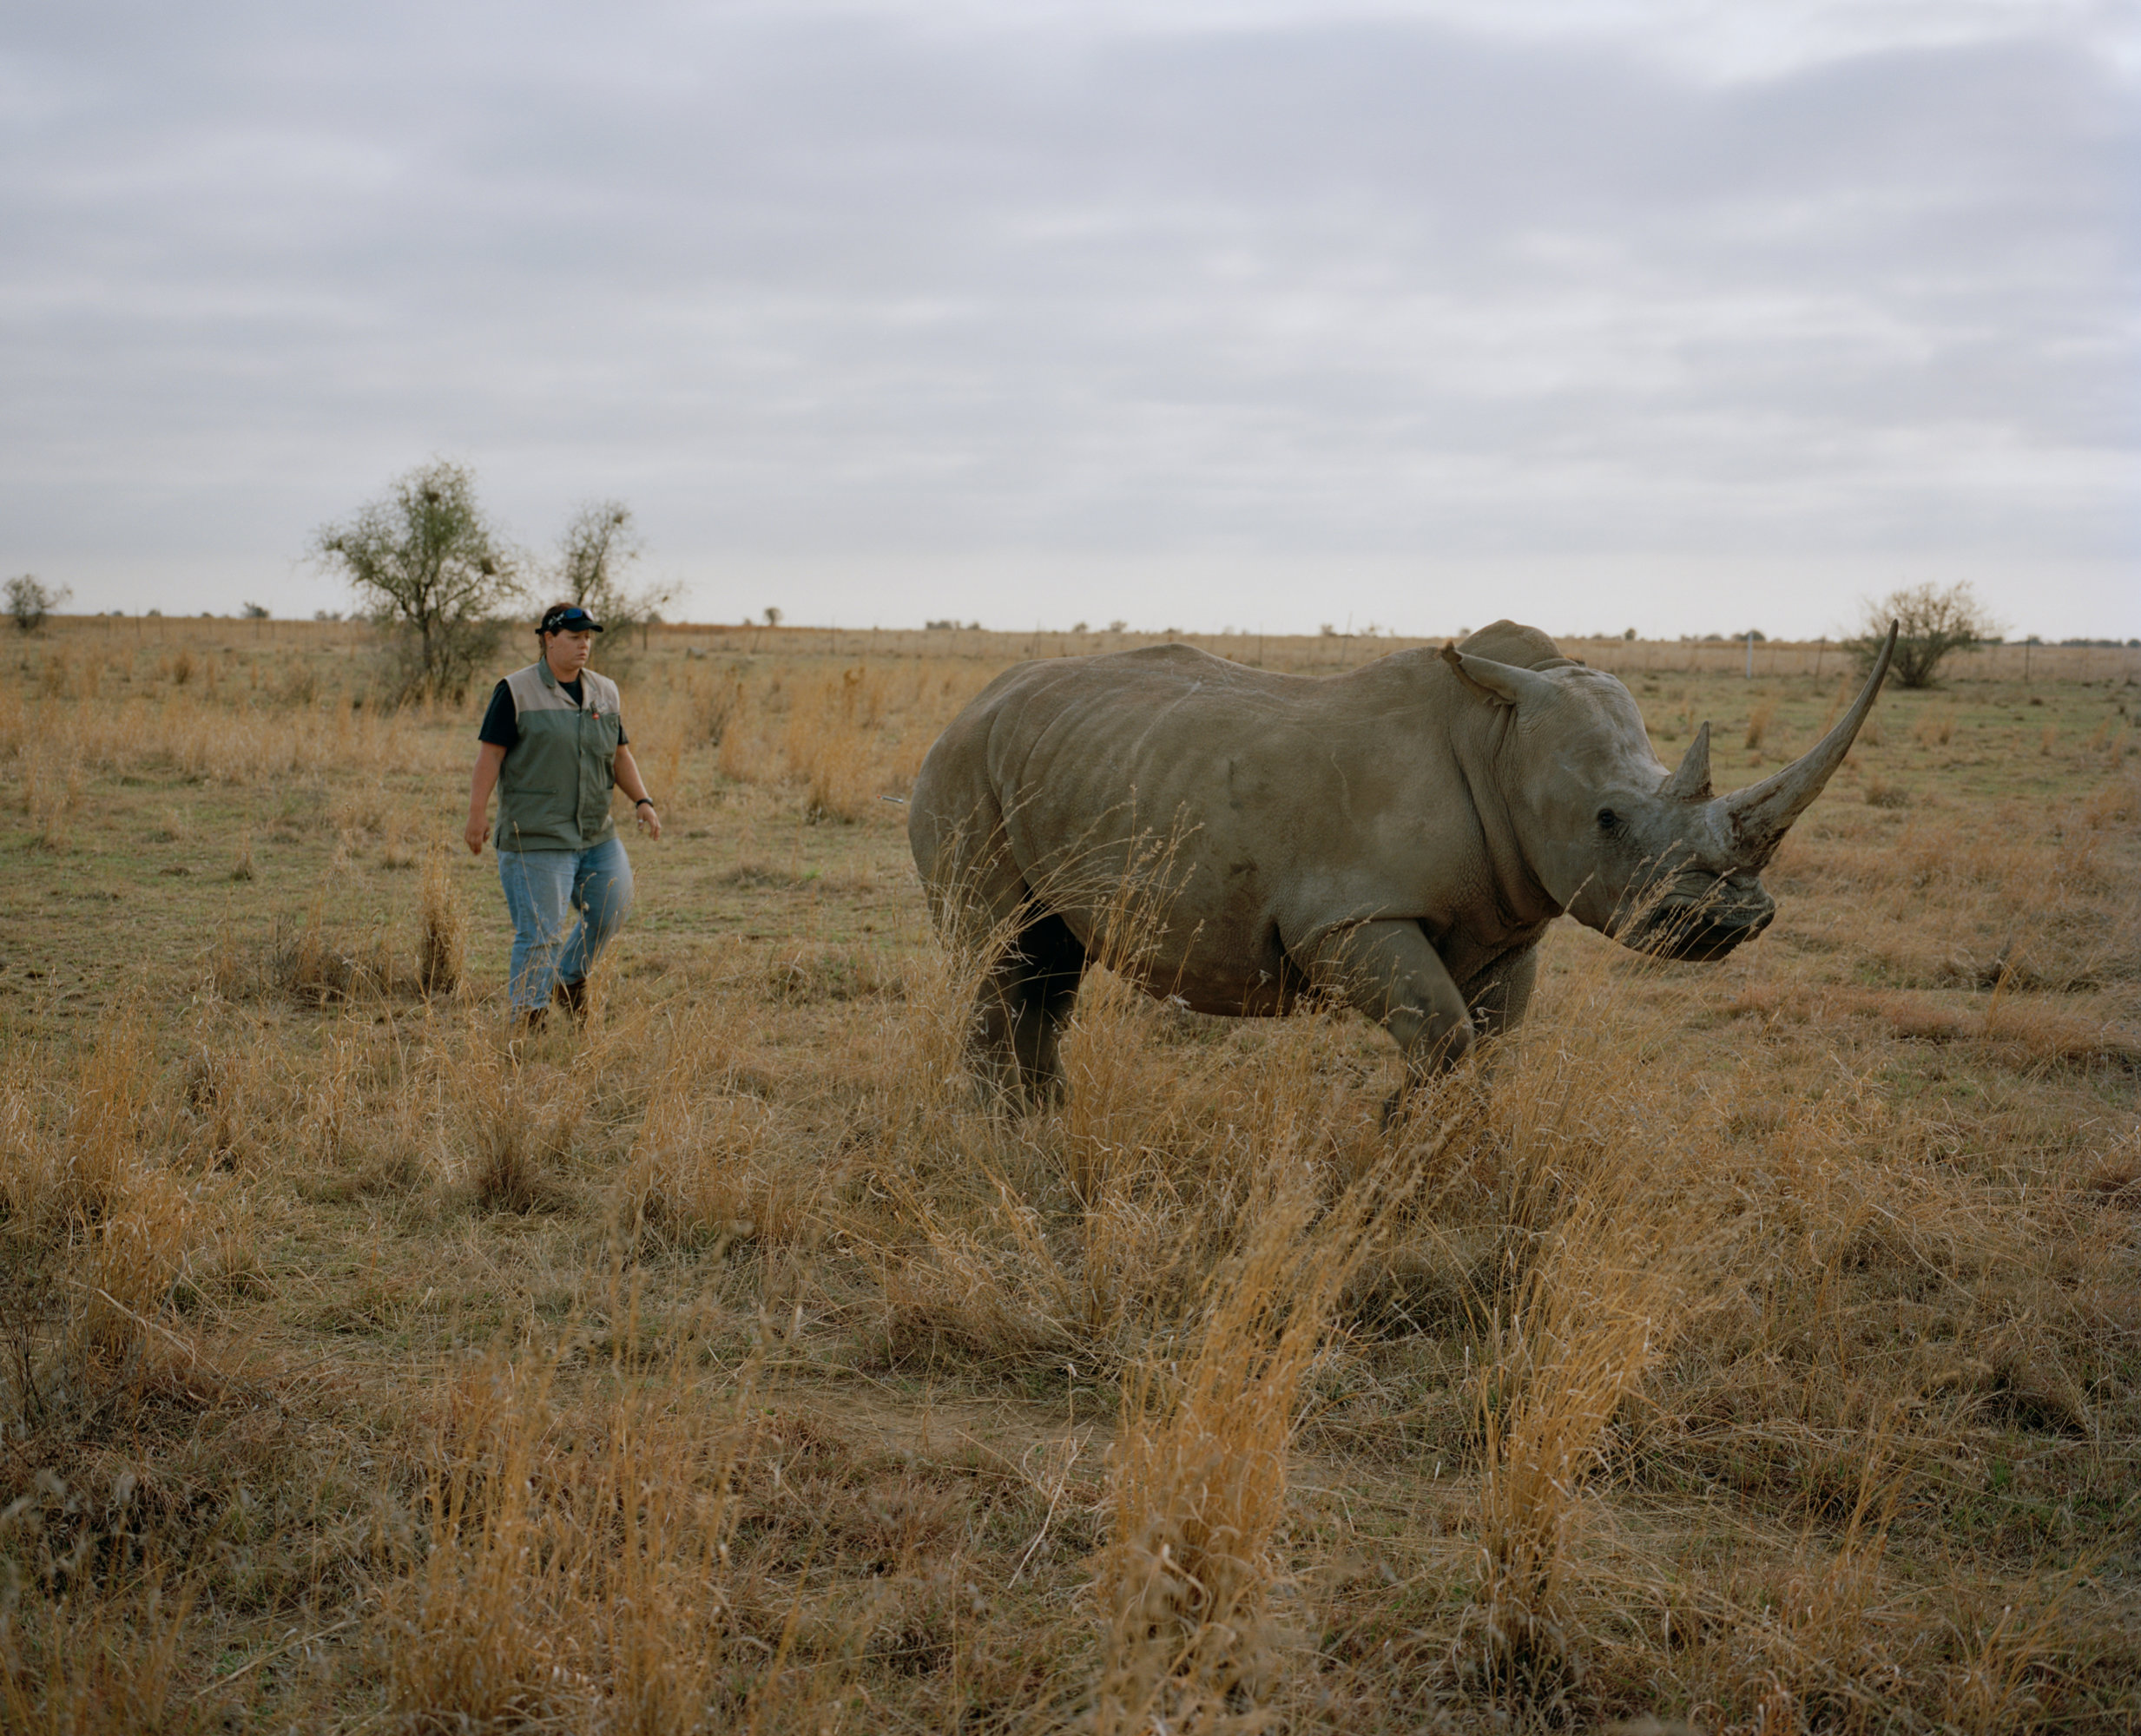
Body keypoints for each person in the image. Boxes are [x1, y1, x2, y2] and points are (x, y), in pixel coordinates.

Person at [465, 603, 662, 1027]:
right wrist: (477, 815)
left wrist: (642, 801)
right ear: (548, 639)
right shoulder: (516, 691)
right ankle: (527, 1021)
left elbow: (619, 754)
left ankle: (569, 978)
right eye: (574, 637)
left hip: (595, 832)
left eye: (588, 637)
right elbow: (490, 756)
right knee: (539, 933)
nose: (584, 645)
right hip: (535, 834)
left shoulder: (605, 691)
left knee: (612, 907)